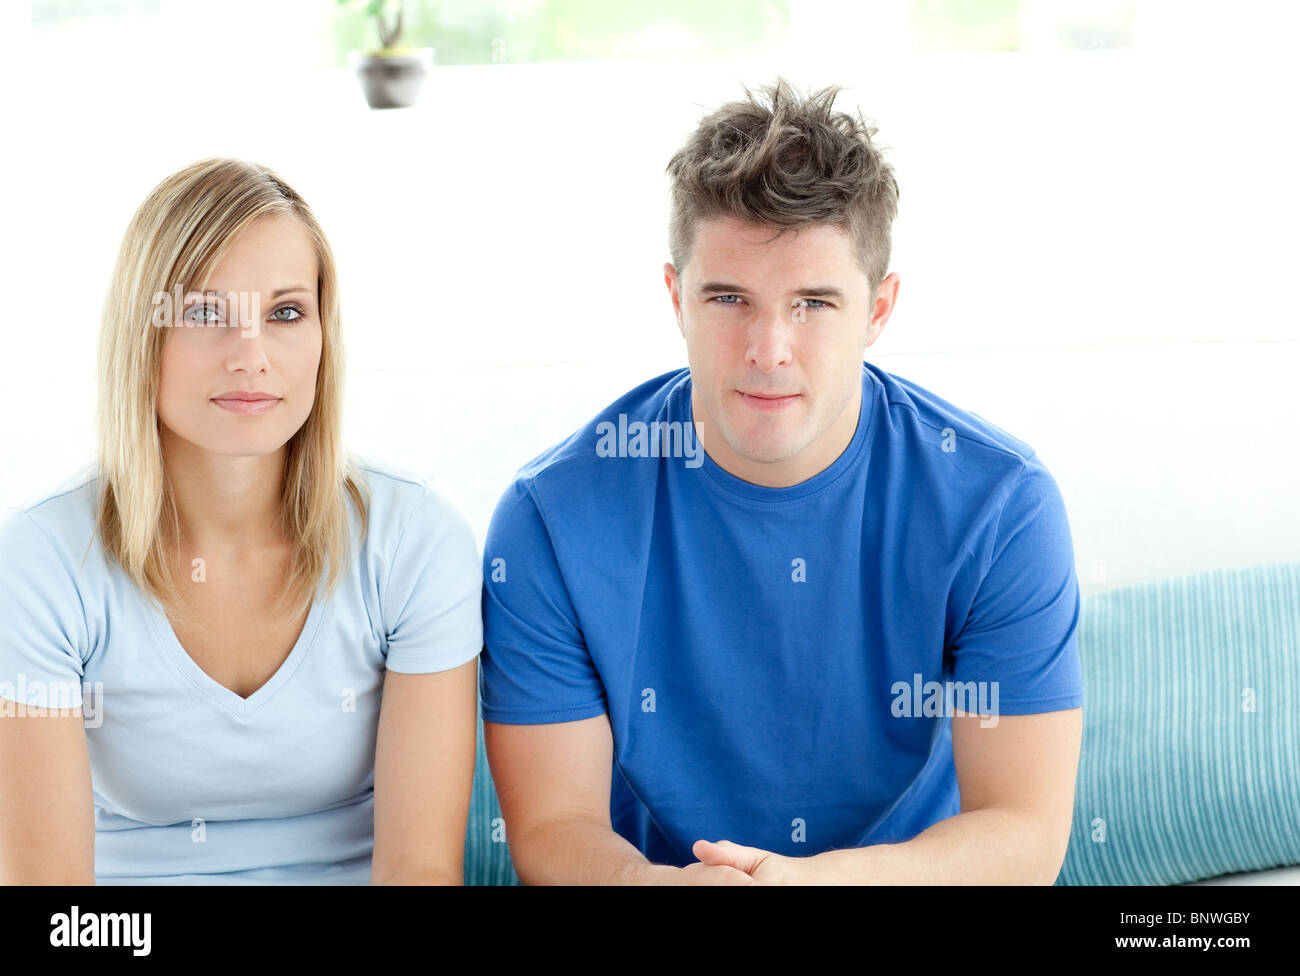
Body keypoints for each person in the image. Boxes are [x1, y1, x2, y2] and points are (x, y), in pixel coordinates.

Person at [479, 79, 1084, 884]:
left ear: (879, 309)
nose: (769, 348)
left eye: (813, 303)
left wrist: (813, 884)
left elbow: (1023, 837)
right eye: (730, 298)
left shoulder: (1000, 505)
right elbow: (555, 829)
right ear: (676, 298)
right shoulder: (550, 519)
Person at [0, 158, 482, 885]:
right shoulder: (38, 559)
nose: (251, 356)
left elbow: (419, 869)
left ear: (324, 334)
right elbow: (52, 898)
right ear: (143, 334)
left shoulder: (415, 536)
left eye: (285, 312)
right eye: (203, 313)